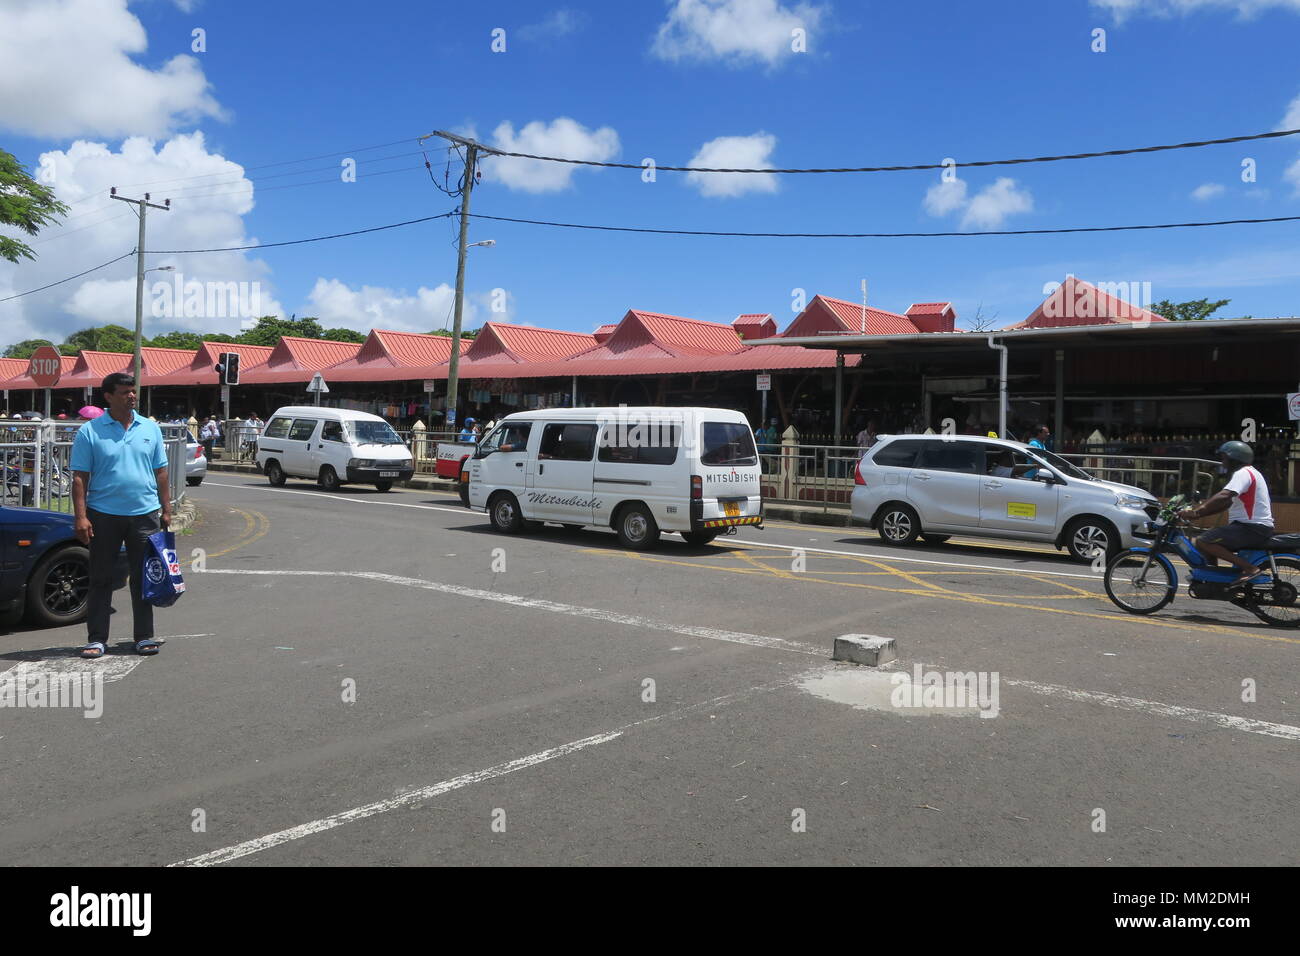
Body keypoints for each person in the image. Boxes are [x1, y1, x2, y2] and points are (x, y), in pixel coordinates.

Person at [70, 372, 172, 659]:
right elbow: (79, 477)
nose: (132, 396)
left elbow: (161, 471)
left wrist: (166, 509)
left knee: (143, 578)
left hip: (144, 514)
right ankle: (97, 638)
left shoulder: (149, 429)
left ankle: (144, 636)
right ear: (108, 397)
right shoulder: (89, 432)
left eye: (133, 391)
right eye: (125, 391)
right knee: (101, 578)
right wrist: (80, 516)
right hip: (103, 515)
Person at [1179, 441, 1274, 588]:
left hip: (1252, 528)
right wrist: (1198, 514)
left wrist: (1196, 512)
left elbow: (1224, 496)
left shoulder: (1243, 473)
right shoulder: (1251, 473)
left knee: (1204, 541)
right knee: (1208, 539)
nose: (1223, 463)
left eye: (1224, 458)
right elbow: (1226, 503)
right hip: (1254, 528)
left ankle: (1250, 568)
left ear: (1234, 459)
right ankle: (1213, 579)